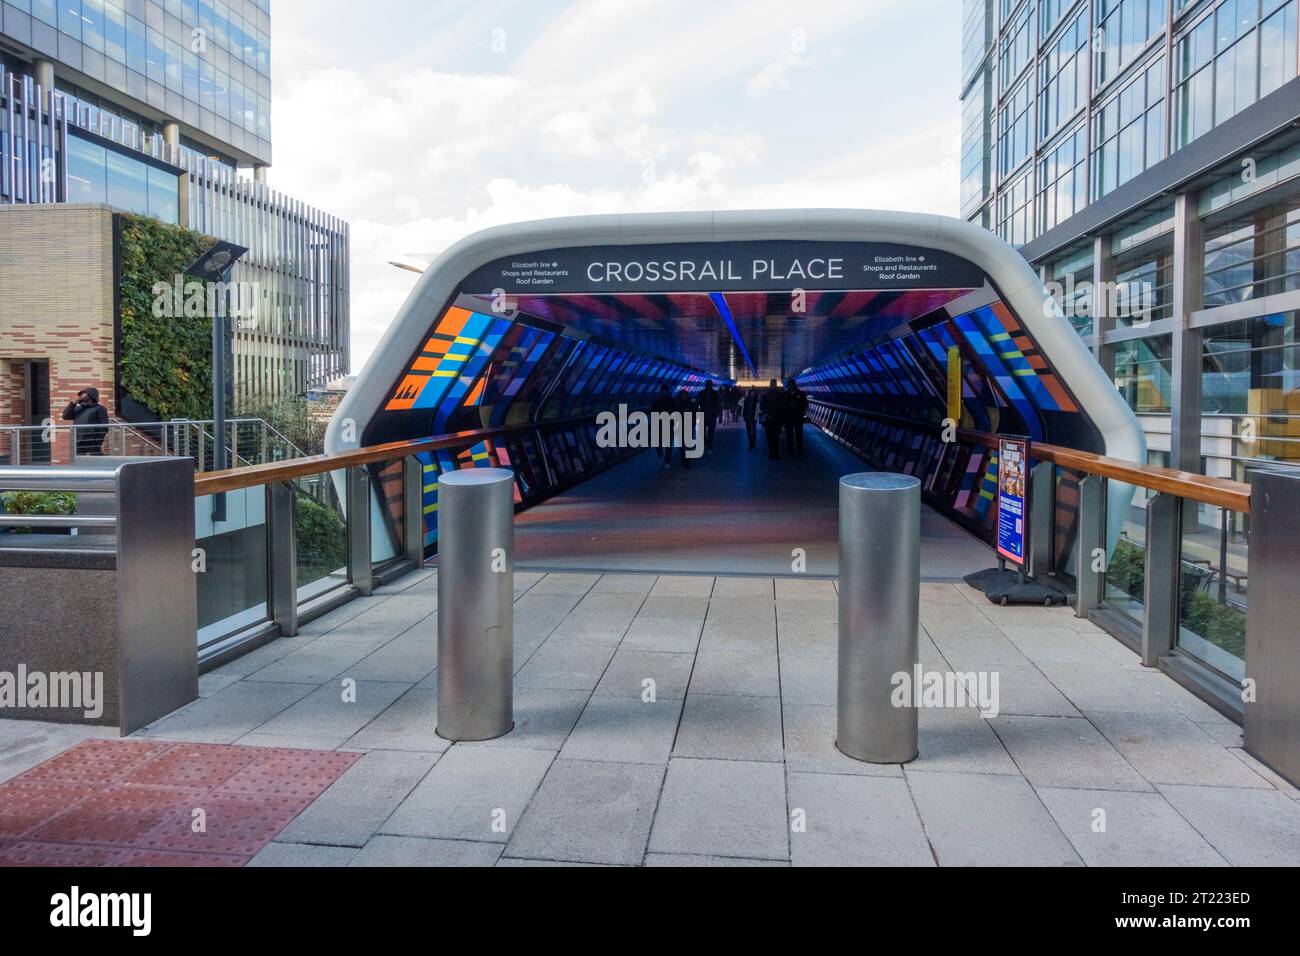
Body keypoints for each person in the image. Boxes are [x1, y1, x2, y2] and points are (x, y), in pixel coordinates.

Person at [62, 387, 109, 456]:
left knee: (97, 461)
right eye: (80, 395)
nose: (81, 396)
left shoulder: (99, 409)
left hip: (93, 442)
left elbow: (104, 426)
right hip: (79, 441)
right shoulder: (78, 409)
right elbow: (65, 416)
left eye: (83, 394)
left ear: (91, 395)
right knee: (79, 463)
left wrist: (98, 440)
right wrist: (73, 403)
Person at [649, 383, 676, 470]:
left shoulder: (671, 401)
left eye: (666, 391)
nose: (665, 393)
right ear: (661, 392)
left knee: (667, 445)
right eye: (663, 391)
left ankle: (667, 460)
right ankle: (662, 457)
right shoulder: (657, 402)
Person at [760, 379, 786, 460]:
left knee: (770, 437)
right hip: (777, 419)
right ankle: (776, 454)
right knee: (776, 437)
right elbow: (782, 408)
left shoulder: (765, 395)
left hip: (769, 419)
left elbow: (762, 407)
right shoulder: (780, 395)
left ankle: (771, 454)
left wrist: (767, 412)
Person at [784, 380, 808, 460]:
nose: (791, 386)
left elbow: (804, 404)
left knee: (797, 434)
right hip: (790, 417)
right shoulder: (799, 394)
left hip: (797, 417)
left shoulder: (787, 394)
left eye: (792, 385)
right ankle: (792, 450)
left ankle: (797, 450)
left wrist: (798, 408)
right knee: (790, 434)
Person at [675, 388, 698, 469]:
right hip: (681, 425)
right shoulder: (678, 405)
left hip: (688, 425)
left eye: (684, 396)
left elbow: (694, 413)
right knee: (681, 445)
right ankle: (684, 459)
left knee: (687, 444)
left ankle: (686, 461)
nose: (684, 398)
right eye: (682, 396)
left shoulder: (690, 404)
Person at [699, 380, 721, 454]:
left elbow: (718, 404)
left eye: (709, 384)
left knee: (710, 432)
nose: (708, 386)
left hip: (711, 415)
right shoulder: (702, 393)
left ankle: (709, 446)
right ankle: (707, 444)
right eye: (707, 384)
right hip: (705, 415)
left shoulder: (713, 394)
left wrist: (718, 413)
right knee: (705, 432)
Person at [741, 387, 760, 451]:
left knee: (753, 430)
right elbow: (742, 407)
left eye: (753, 394)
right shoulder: (746, 400)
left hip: (753, 418)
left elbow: (758, 409)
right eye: (751, 394)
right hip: (748, 418)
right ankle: (751, 443)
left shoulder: (756, 401)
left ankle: (753, 442)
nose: (752, 395)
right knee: (749, 431)